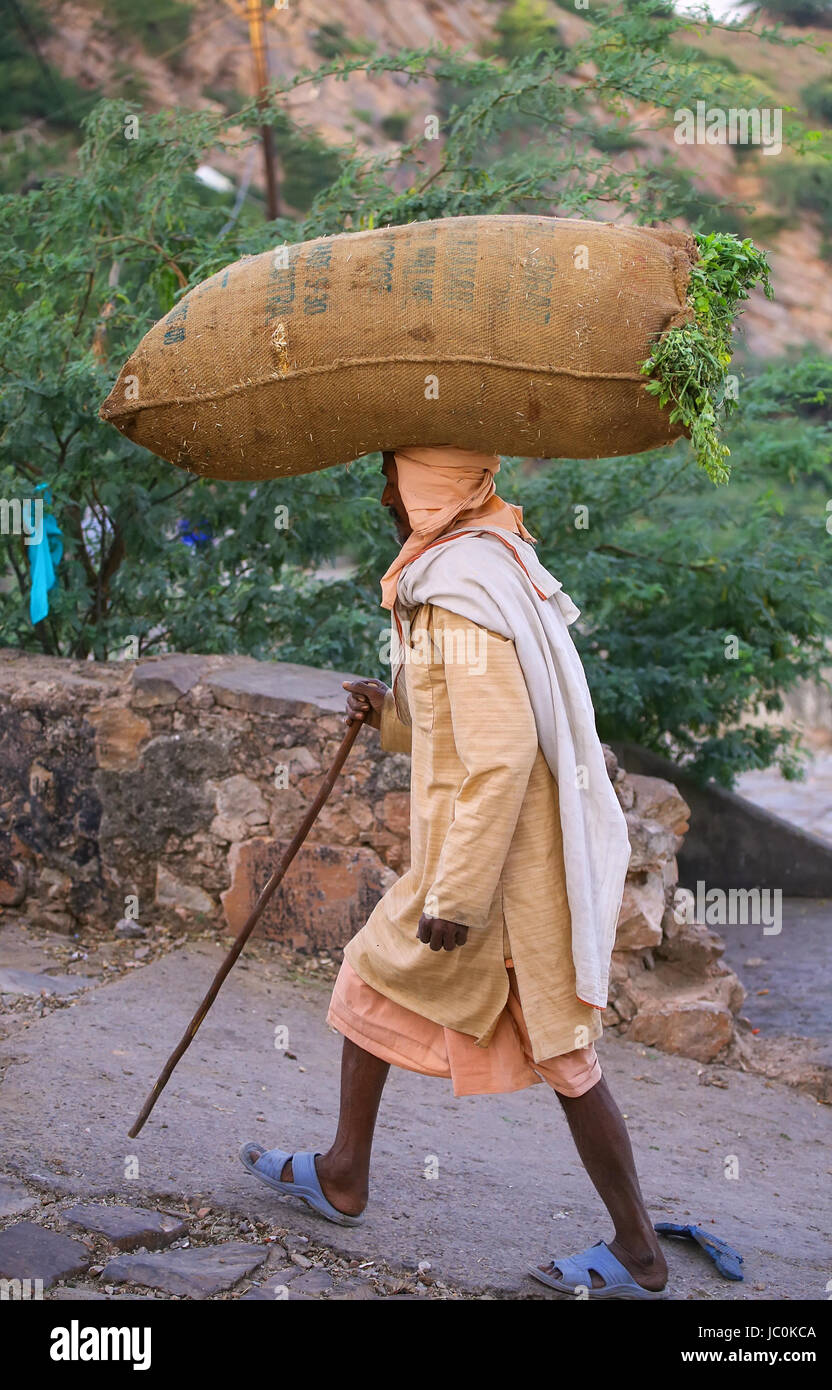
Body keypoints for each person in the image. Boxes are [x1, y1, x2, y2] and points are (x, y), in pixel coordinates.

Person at [242, 446, 668, 1298]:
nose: (384, 496)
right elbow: (456, 722)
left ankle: (640, 1252)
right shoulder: (476, 565)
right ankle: (344, 1172)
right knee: (375, 982)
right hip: (496, 861)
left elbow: (501, 756)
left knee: (563, 1053)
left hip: (501, 876)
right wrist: (393, 717)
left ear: (429, 489)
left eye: (394, 478)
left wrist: (458, 898)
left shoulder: (460, 594)